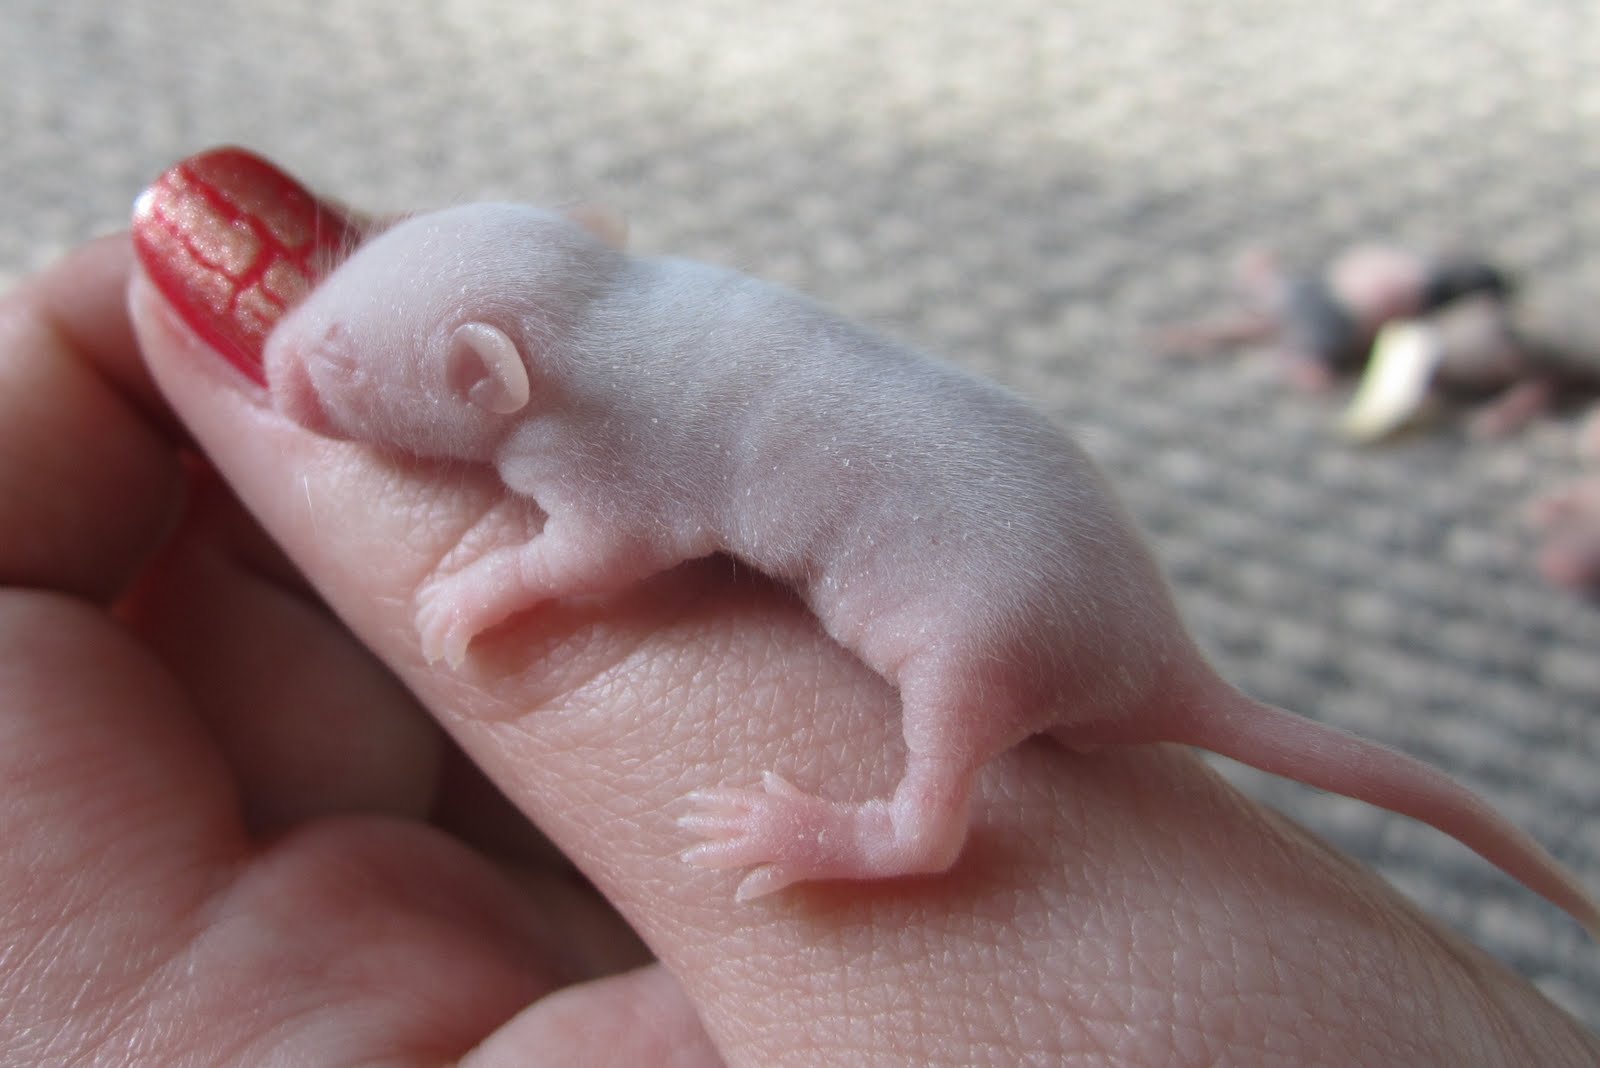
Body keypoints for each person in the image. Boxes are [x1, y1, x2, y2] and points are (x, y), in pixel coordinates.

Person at [0, 232, 1594, 1066]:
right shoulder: (603, 337)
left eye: (348, 356)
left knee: (963, 654)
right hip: (1033, 533)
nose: (307, 373)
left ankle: (905, 821)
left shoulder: (592, 417)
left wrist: (502, 590)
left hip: (1011, 601)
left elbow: (619, 541)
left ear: (490, 383)